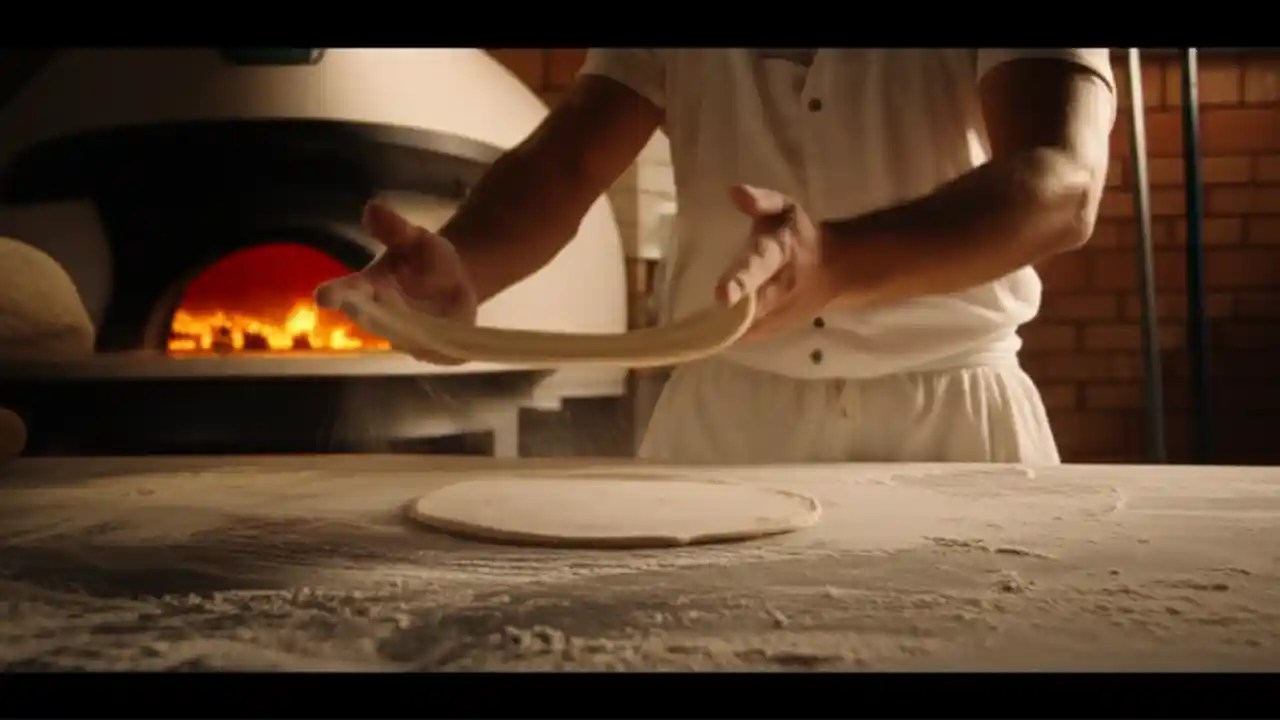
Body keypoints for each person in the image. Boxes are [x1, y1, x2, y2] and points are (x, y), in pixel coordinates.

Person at [320, 48, 1117, 466]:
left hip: (952, 425)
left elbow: (1062, 180)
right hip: (724, 420)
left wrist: (836, 262)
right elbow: (568, 159)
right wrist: (466, 260)